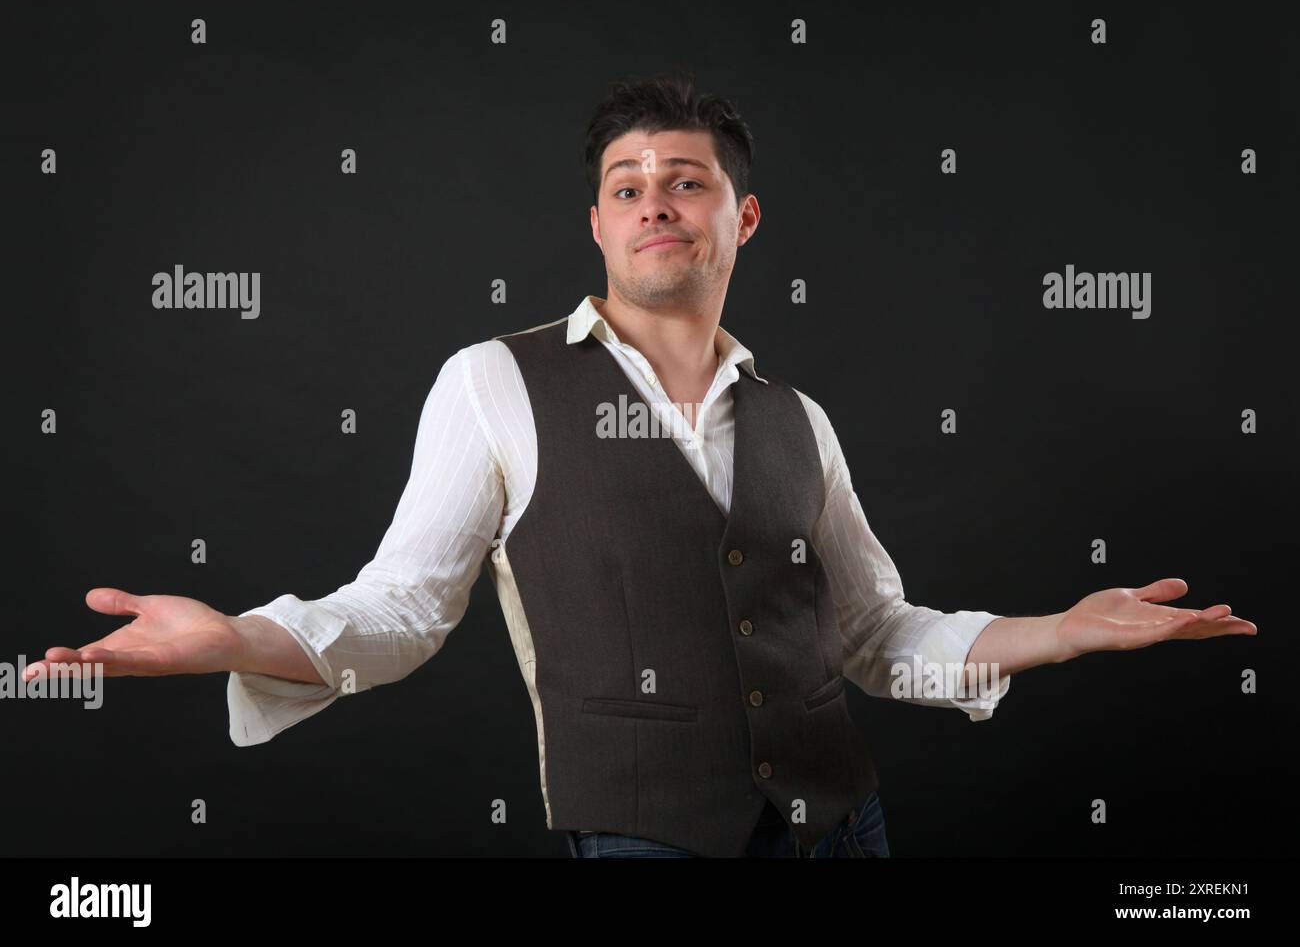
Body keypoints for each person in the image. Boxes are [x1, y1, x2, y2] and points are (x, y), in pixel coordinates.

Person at [24, 72, 1257, 858]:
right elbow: (400, 609)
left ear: (742, 218)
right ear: (599, 224)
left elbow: (876, 634)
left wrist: (1063, 628)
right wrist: (235, 633)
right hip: (646, 842)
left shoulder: (798, 417)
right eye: (627, 186)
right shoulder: (492, 381)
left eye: (686, 181)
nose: (655, 201)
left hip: (845, 824)